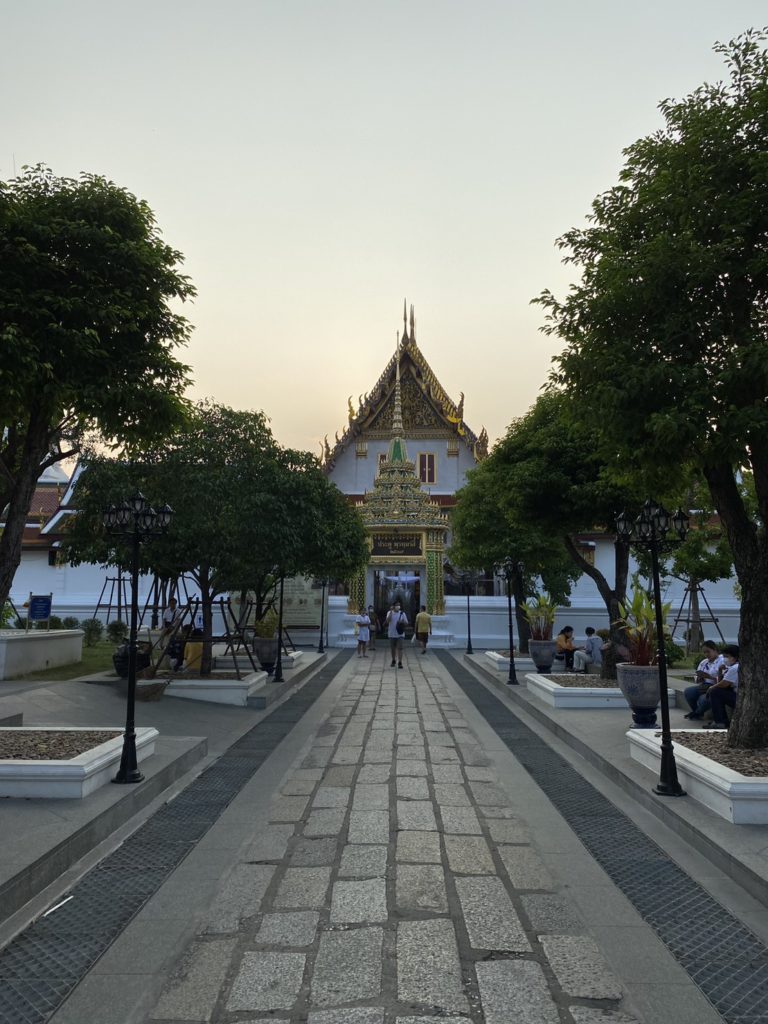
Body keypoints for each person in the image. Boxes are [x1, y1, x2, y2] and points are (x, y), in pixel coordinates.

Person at [683, 641, 725, 720]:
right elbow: (697, 676)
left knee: (703, 699)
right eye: (704, 652)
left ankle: (696, 713)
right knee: (688, 692)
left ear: (715, 649)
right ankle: (697, 712)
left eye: (708, 652)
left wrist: (710, 677)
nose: (706, 654)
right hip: (704, 685)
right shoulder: (704, 662)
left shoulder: (722, 661)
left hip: (716, 686)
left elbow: (724, 678)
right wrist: (699, 678)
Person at [704, 644, 739, 729]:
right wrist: (720, 671)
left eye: (727, 656)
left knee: (714, 692)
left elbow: (724, 684)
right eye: (724, 657)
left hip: (738, 698)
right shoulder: (731, 667)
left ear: (734, 657)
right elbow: (721, 682)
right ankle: (722, 721)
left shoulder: (735, 668)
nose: (725, 659)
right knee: (716, 691)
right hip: (735, 694)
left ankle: (720, 722)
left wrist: (711, 687)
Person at [386, 601, 408, 669]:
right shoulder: (389, 613)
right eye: (396, 605)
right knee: (393, 648)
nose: (398, 606)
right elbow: (387, 621)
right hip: (392, 633)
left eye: (399, 605)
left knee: (400, 648)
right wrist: (390, 611)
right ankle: (393, 660)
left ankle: (400, 662)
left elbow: (406, 623)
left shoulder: (402, 613)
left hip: (400, 633)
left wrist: (402, 621)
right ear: (393, 606)